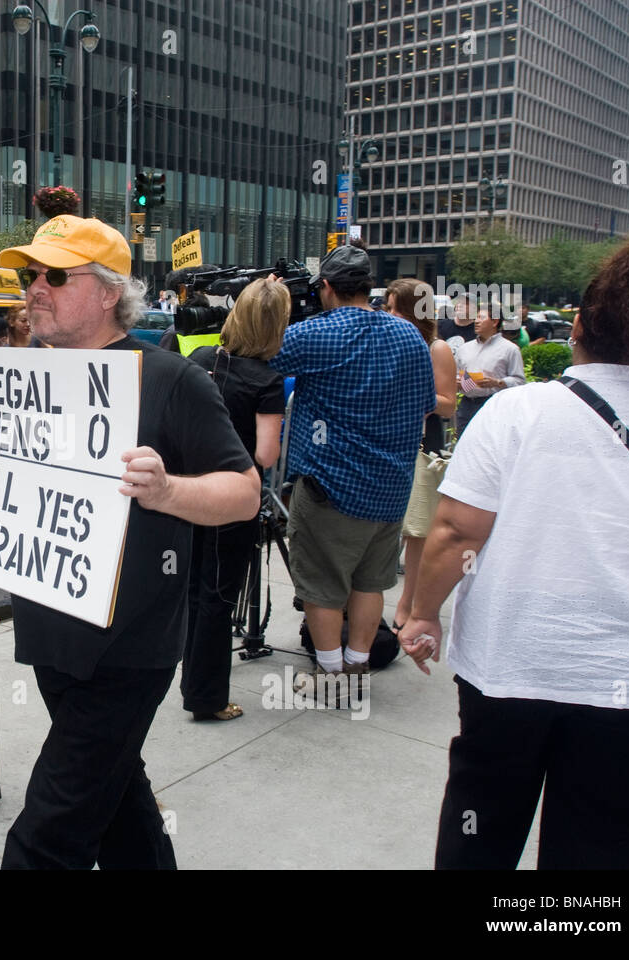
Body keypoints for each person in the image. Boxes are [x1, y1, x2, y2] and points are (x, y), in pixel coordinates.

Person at [0, 215, 261, 869]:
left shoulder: (173, 380)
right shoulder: (28, 380)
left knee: (47, 834)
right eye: (31, 275)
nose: (35, 288)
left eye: (55, 275)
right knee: (120, 808)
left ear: (109, 292)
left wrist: (168, 492)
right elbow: (11, 497)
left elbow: (245, 491)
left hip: (127, 649)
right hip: (52, 639)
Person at [399, 232, 629, 869]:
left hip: (509, 667)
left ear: (578, 325)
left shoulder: (516, 412)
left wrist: (423, 613)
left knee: (480, 832)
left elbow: (455, 533)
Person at [270, 243, 434, 702]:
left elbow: (254, 352)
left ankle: (329, 676)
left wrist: (275, 301)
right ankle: (357, 669)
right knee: (370, 583)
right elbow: (425, 408)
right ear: (367, 287)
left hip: (331, 489)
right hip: (390, 490)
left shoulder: (313, 334)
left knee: (323, 586)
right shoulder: (409, 337)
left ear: (325, 287)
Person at [181, 276, 288, 722]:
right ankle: (207, 698)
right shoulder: (267, 380)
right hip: (233, 499)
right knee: (218, 596)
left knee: (191, 591)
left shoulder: (202, 359)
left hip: (188, 493)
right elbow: (265, 454)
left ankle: (192, 681)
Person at [386, 280, 458, 631]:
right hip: (388, 446)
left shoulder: (436, 348)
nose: (388, 314)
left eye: (394, 307)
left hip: (421, 451)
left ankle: (408, 604)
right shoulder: (390, 342)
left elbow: (448, 403)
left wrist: (411, 397)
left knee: (415, 533)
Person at [453, 305, 525, 436]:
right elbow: (456, 374)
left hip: (494, 404)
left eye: (481, 317)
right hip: (467, 405)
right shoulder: (465, 348)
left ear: (495, 321)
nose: (476, 321)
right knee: (463, 443)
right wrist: (458, 382)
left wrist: (498, 382)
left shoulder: (510, 349)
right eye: (476, 317)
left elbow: (520, 381)